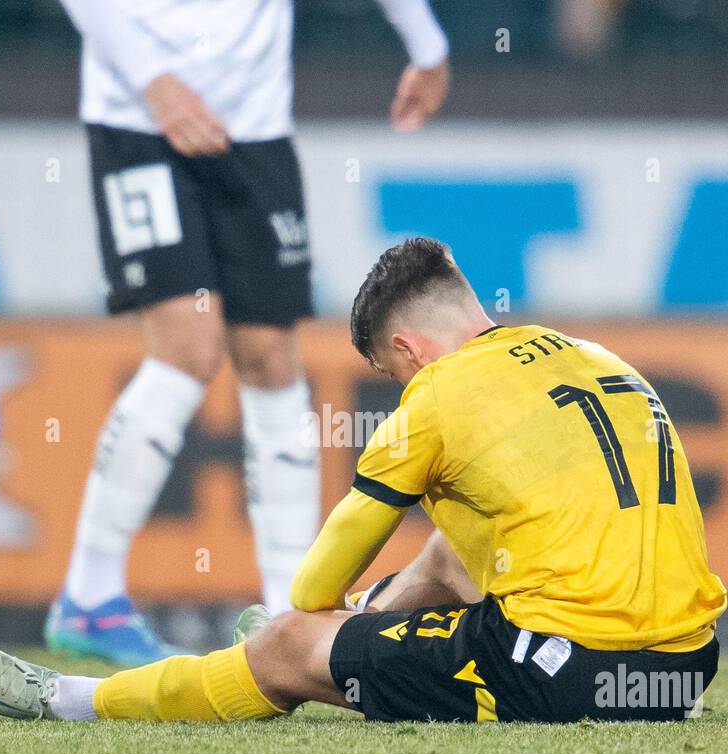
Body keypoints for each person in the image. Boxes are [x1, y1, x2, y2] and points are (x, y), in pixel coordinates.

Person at [0, 237, 728, 724]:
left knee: (283, 644)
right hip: (678, 673)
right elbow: (460, 557)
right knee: (454, 554)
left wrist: (316, 631)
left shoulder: (436, 396)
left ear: (408, 352)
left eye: (387, 369)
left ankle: (68, 698)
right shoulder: (591, 354)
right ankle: (357, 634)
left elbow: (314, 581)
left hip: (569, 672)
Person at [45, 0, 451, 666]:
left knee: (269, 357)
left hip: (256, 127)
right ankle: (90, 596)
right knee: (189, 348)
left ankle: (288, 613)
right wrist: (154, 80)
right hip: (139, 118)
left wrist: (426, 43)